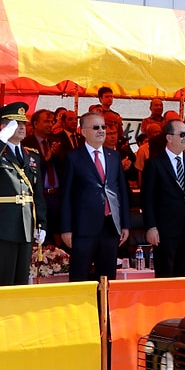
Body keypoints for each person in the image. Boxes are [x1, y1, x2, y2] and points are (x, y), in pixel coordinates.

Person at [0, 103, 46, 286]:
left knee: (21, 281)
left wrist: (41, 224)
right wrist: (2, 139)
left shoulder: (31, 155)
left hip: (26, 225)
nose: (22, 127)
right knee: (2, 280)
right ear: (2, 126)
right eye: (15, 123)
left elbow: (37, 194)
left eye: (24, 123)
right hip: (1, 224)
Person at [59, 112, 131, 281]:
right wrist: (65, 228)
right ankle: (80, 308)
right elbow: (66, 195)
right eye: (96, 127)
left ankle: (104, 308)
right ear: (83, 131)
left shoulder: (114, 156)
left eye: (103, 127)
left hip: (110, 226)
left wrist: (125, 224)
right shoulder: (73, 157)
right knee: (80, 276)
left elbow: (121, 191)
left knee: (107, 278)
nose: (101, 131)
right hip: (83, 228)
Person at [141, 119, 185, 278]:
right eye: (182, 134)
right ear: (169, 137)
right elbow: (147, 198)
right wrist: (151, 226)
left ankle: (182, 303)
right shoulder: (154, 164)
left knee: (184, 274)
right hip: (165, 229)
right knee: (165, 274)